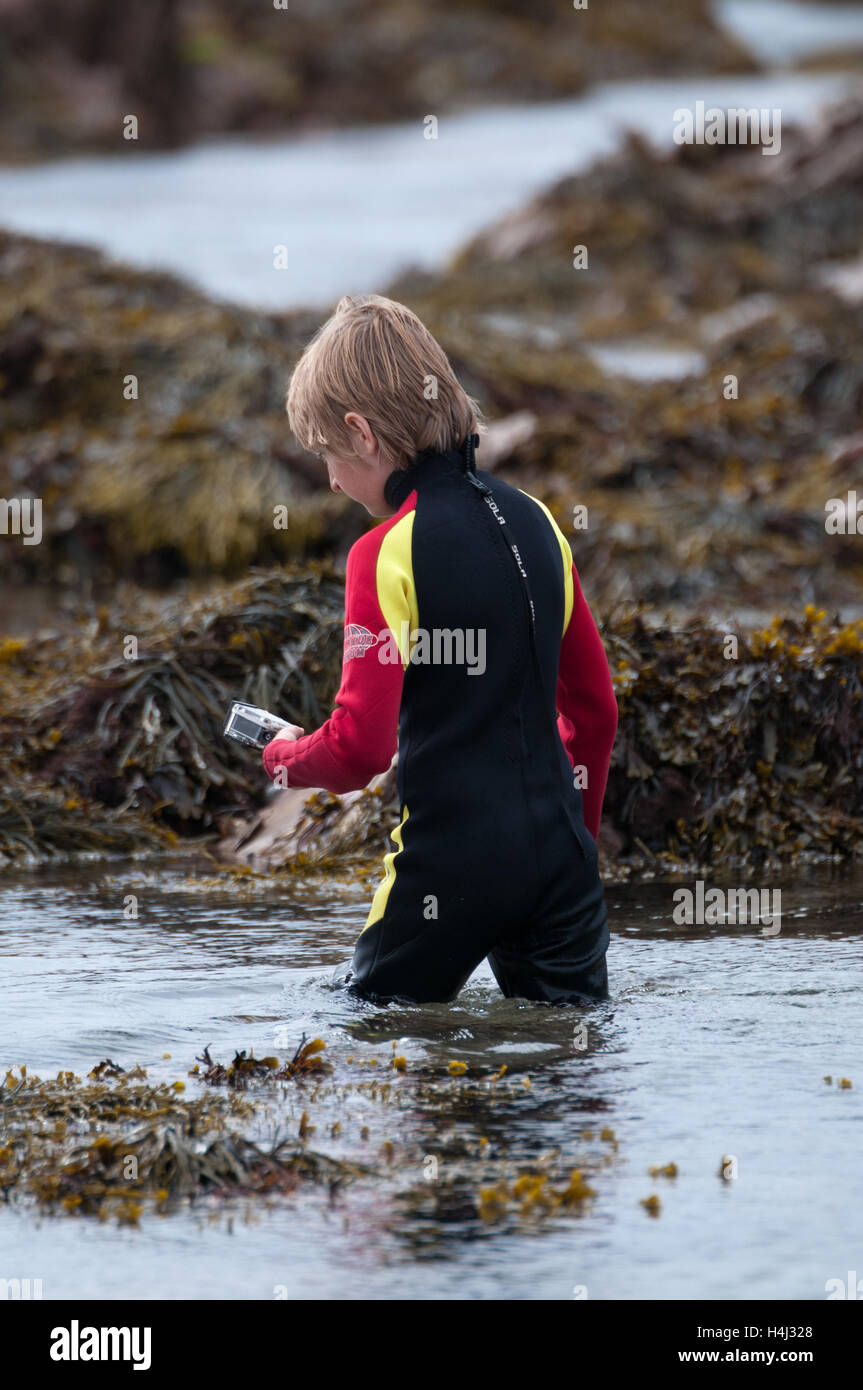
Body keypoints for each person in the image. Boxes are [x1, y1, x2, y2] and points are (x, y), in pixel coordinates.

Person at [262, 294, 618, 1005]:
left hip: (449, 868)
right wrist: (563, 840)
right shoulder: (537, 521)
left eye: (328, 454)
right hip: (561, 863)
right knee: (566, 1081)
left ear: (361, 435)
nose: (331, 480)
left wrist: (285, 761)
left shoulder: (382, 554)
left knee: (360, 1030)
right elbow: (595, 710)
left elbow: (359, 751)